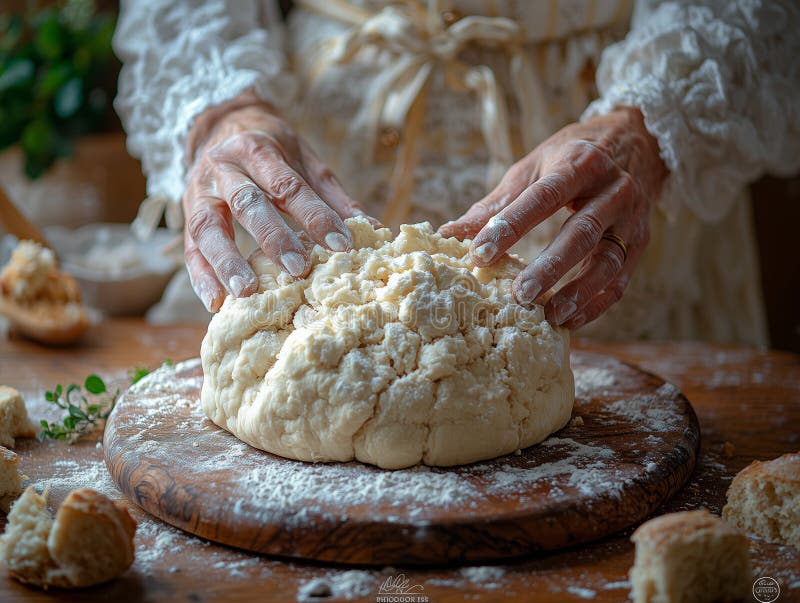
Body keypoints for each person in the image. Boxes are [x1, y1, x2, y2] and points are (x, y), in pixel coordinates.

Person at [113, 0, 800, 344]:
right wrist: (223, 108)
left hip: (609, 143)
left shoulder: (645, 123)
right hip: (321, 153)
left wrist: (650, 121)